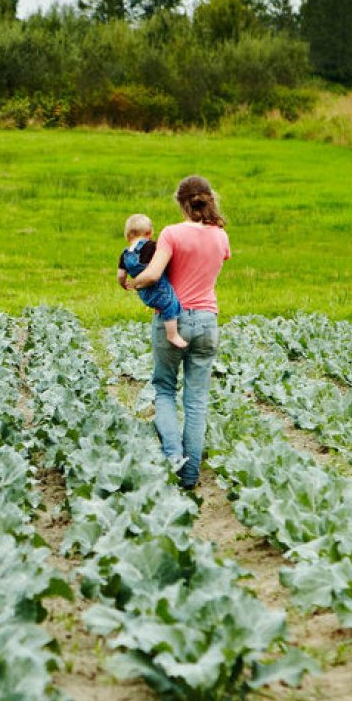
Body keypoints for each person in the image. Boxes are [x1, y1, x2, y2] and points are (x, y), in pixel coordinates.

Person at [120, 175, 229, 489]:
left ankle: (173, 457)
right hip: (208, 321)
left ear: (182, 203)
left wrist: (133, 282)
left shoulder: (171, 234)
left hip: (174, 319)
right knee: (196, 401)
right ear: (208, 199)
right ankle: (190, 476)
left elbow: (153, 274)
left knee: (165, 390)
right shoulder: (221, 236)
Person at [117, 213, 188, 350]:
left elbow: (120, 275)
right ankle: (172, 335)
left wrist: (124, 284)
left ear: (127, 235)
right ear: (149, 233)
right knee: (170, 304)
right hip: (158, 287)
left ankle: (170, 329)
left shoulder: (125, 254)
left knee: (162, 305)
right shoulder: (151, 246)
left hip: (143, 292)